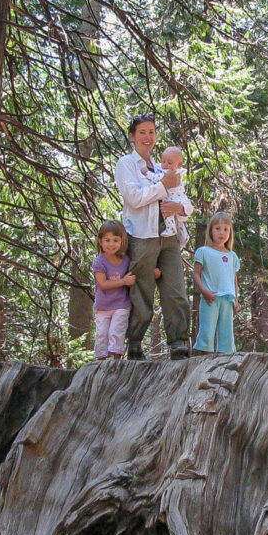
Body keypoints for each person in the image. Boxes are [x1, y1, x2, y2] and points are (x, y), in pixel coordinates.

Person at [114, 113, 193, 360]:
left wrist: (179, 209)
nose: (148, 137)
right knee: (141, 291)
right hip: (141, 236)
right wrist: (163, 187)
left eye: (152, 132)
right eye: (142, 132)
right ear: (132, 136)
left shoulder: (163, 166)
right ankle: (135, 345)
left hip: (169, 235)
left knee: (175, 290)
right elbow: (134, 198)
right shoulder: (126, 164)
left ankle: (179, 343)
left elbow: (183, 199)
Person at [193, 212, 240, 354]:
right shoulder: (203, 251)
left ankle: (226, 357)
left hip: (228, 298)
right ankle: (202, 355)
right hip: (210, 297)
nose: (222, 233)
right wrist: (204, 291)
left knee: (226, 330)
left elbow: (234, 280)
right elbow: (196, 274)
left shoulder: (232, 256)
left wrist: (236, 298)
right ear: (211, 230)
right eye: (217, 228)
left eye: (226, 229)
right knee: (207, 329)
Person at [92, 220, 134, 360]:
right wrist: (123, 281)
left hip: (121, 305)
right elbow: (102, 284)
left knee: (116, 332)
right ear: (100, 241)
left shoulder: (126, 260)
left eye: (115, 240)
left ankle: (116, 362)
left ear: (122, 241)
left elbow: (138, 270)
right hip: (103, 307)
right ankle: (100, 363)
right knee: (101, 334)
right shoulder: (99, 262)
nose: (111, 244)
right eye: (107, 240)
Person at [158, 146, 190, 245]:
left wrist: (146, 173)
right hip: (178, 197)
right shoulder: (171, 170)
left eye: (169, 163)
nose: (165, 165)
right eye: (163, 162)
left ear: (179, 164)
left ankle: (171, 229)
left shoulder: (171, 172)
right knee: (179, 222)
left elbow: (157, 178)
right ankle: (184, 237)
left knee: (168, 213)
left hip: (174, 197)